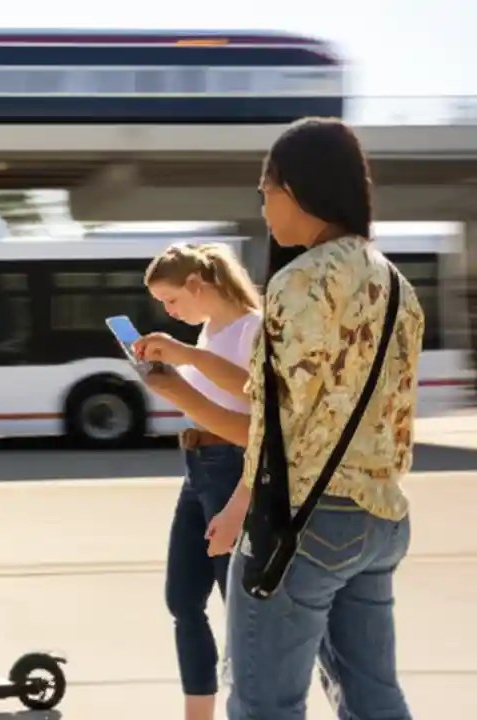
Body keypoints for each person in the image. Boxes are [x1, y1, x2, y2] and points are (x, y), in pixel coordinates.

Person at [143, 117, 424, 720]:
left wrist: (180, 397)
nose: (264, 210)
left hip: (305, 524)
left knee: (264, 703)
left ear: (296, 188)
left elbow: (273, 432)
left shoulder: (298, 283)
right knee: (375, 699)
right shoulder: (397, 285)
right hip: (380, 518)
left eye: (265, 192)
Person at [131, 242, 262, 720]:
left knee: (240, 608)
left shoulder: (253, 327)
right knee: (182, 599)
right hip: (199, 465)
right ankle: (198, 714)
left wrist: (185, 359)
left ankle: (250, 709)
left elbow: (253, 389)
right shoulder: (208, 331)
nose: (168, 311)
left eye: (171, 300)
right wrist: (174, 370)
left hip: (233, 465)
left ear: (196, 284)